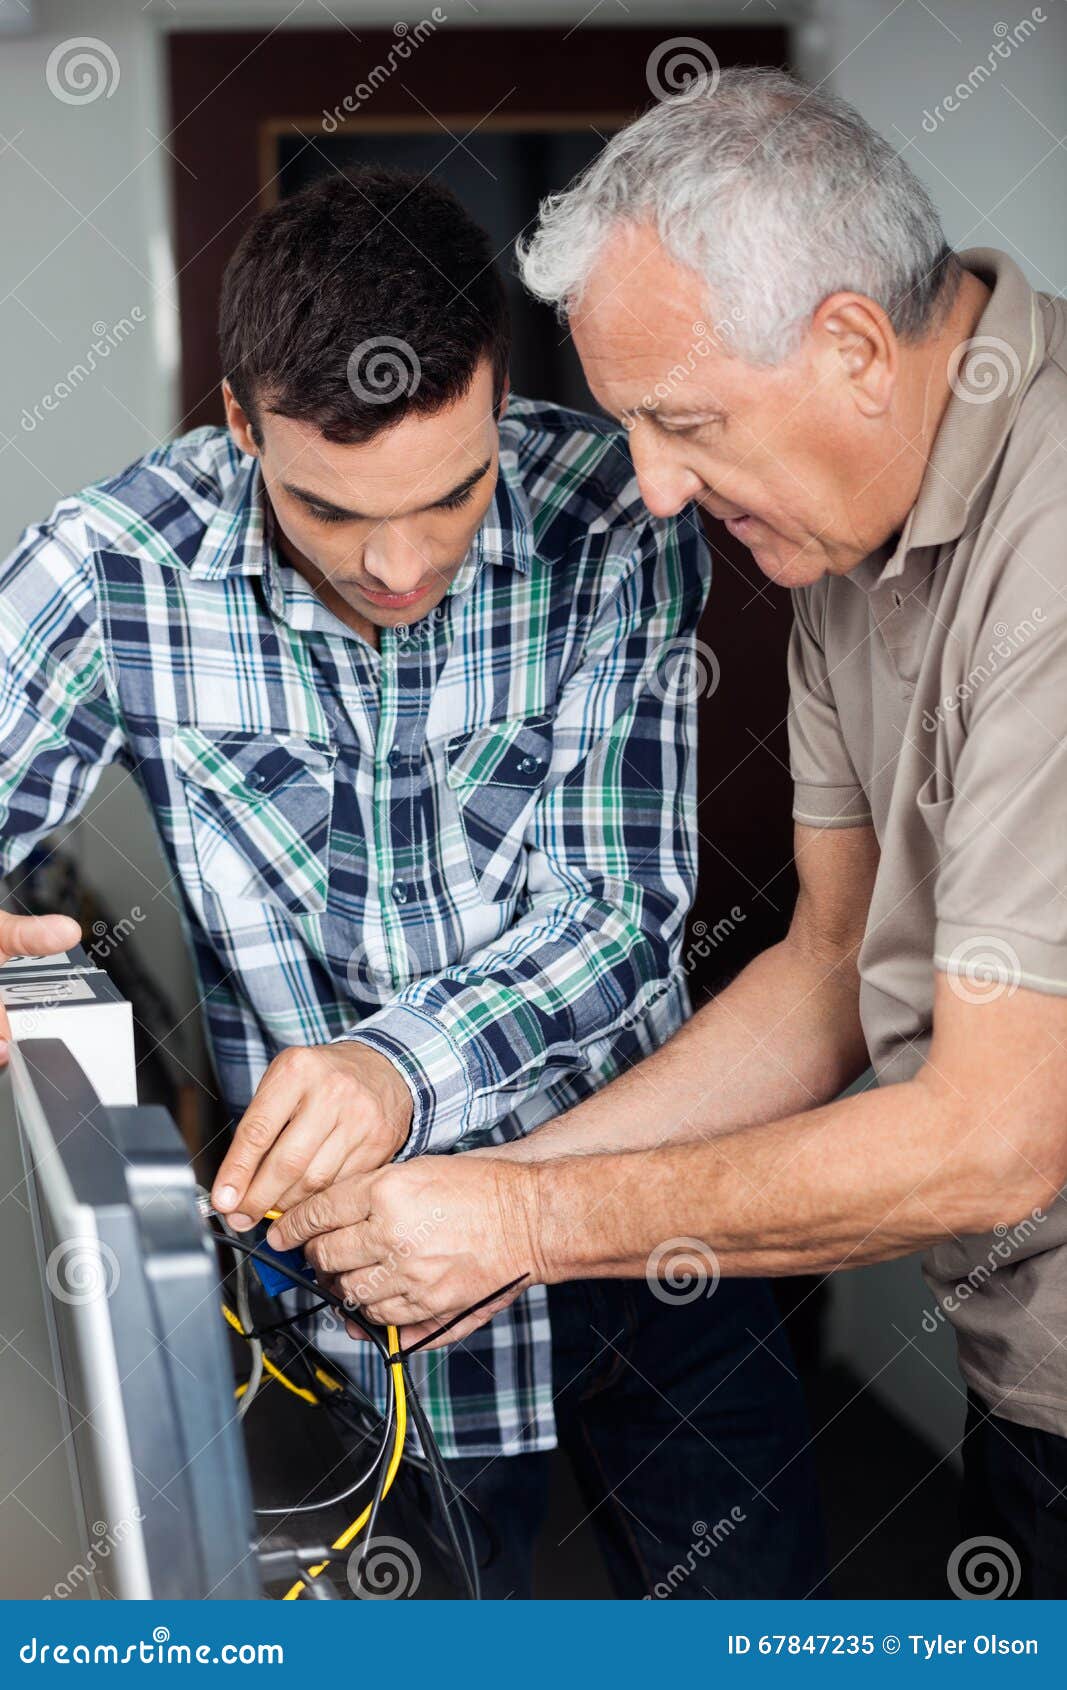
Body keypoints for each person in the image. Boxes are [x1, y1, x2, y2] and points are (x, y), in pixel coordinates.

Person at [265, 73, 1067, 1598]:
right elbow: (829, 967)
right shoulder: (848, 527)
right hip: (1030, 1392)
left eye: (682, 420)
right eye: (631, 421)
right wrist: (495, 1191)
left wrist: (530, 1216)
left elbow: (995, 1135)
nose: (653, 484)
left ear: (852, 346)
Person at [0, 165, 822, 1598]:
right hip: (362, 1299)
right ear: (243, 423)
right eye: (329, 511)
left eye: (451, 495)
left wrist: (397, 1071)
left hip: (648, 1231)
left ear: (500, 396)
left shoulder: (612, 518)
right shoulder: (118, 564)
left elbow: (617, 916)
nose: (398, 564)